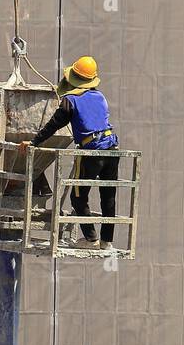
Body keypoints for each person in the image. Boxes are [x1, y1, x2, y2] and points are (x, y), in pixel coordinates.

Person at [31, 55, 120, 249]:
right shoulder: (100, 97)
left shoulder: (70, 101)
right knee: (108, 196)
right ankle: (106, 242)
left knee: (78, 197)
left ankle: (91, 239)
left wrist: (33, 142)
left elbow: (53, 125)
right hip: (112, 149)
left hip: (91, 152)